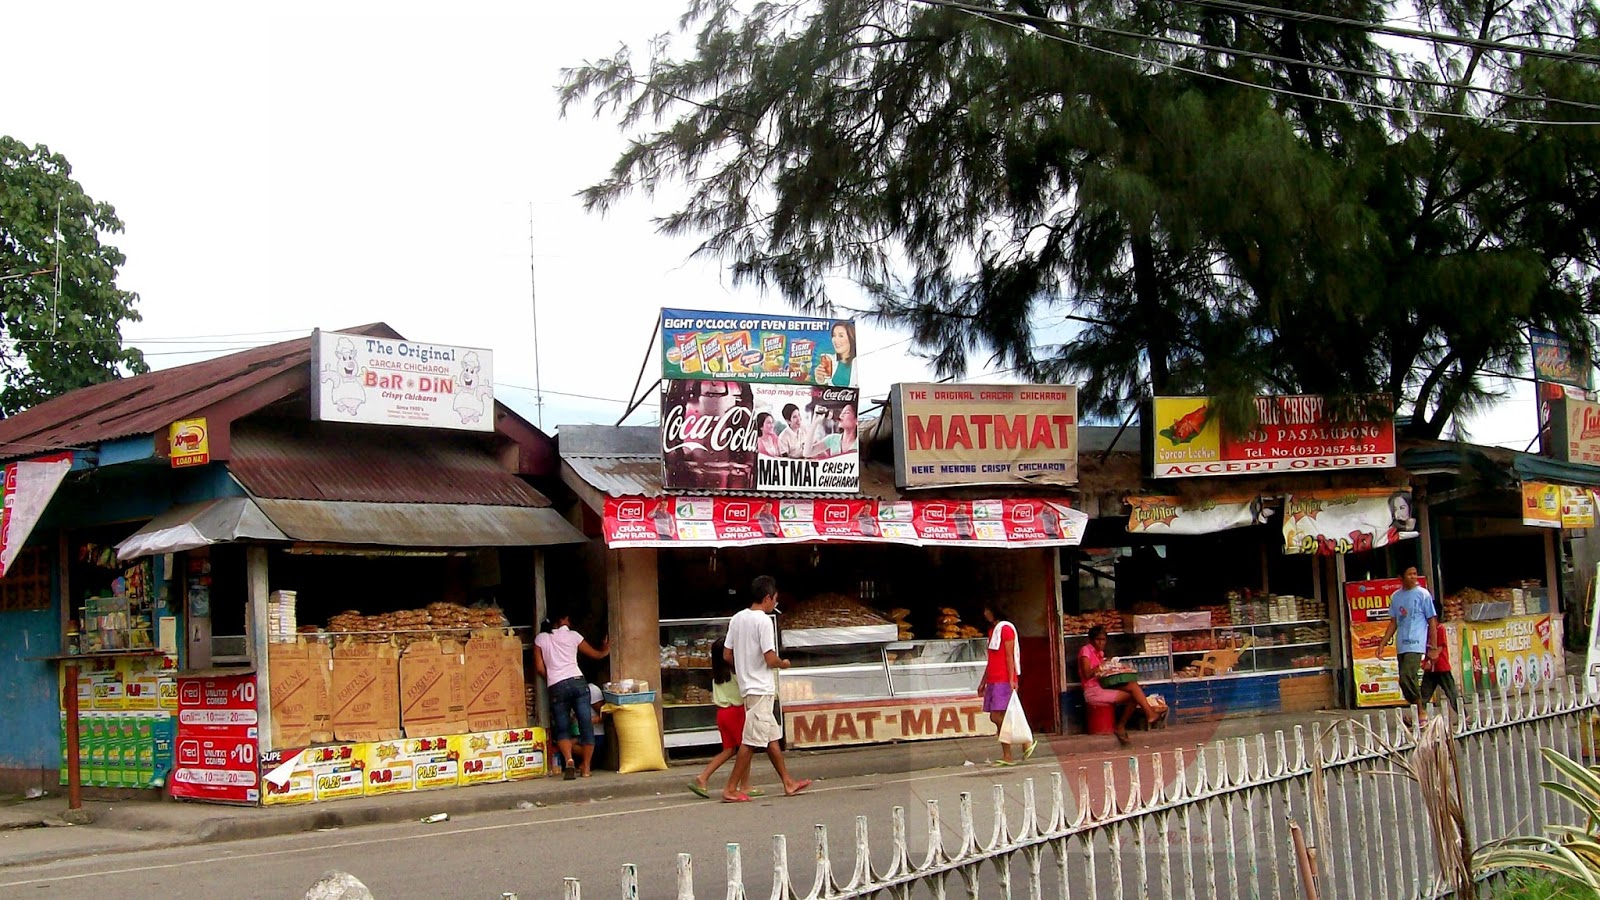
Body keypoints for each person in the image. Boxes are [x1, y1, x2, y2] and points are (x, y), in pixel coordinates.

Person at [722, 575, 811, 802]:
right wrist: (784, 664)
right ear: (767, 598)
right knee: (751, 741)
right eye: (775, 599)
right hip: (760, 688)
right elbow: (770, 658)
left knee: (771, 738)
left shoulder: (737, 618)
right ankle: (730, 788)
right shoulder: (763, 621)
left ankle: (788, 781)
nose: (776, 603)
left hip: (748, 687)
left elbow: (727, 655)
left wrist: (744, 667)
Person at [533, 611, 610, 780]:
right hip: (577, 682)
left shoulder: (541, 639)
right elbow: (596, 655)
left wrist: (553, 678)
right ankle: (586, 768)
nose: (569, 621)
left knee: (562, 727)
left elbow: (539, 668)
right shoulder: (574, 636)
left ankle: (569, 760)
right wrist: (606, 649)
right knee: (585, 724)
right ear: (562, 620)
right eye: (568, 618)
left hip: (557, 685)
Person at [688, 637, 759, 799]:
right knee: (746, 747)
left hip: (722, 713)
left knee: (729, 749)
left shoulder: (717, 676)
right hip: (736, 712)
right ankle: (745, 785)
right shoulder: (735, 673)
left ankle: (703, 777)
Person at [1079, 625, 1166, 746]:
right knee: (1132, 697)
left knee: (1133, 686)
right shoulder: (1086, 650)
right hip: (1093, 690)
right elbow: (1087, 673)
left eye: (1103, 640)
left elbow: (1102, 673)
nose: (1101, 643)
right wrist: (1101, 666)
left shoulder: (1100, 653)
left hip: (1103, 685)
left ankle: (1149, 714)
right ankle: (1121, 726)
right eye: (1098, 640)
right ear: (1091, 640)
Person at [979, 603, 1035, 766]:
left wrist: (1012, 679)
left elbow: (1009, 656)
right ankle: (1016, 746)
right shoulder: (993, 631)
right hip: (993, 678)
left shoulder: (1006, 629)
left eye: (988, 610)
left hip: (1003, 678)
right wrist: (983, 681)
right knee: (999, 717)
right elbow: (992, 659)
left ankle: (1015, 748)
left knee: (997, 716)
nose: (986, 614)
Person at [1381, 566, 1439, 709]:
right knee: (1405, 681)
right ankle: (1418, 709)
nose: (1413, 577)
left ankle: (1420, 709)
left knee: (1406, 676)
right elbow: (1394, 622)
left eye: (1415, 574)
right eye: (1409, 574)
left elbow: (1432, 621)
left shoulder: (1423, 594)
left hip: (1416, 643)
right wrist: (1382, 643)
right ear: (1400, 577)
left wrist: (1434, 646)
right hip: (1402, 644)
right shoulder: (1396, 596)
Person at [1420, 618, 1460, 713]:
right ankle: (1419, 715)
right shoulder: (1426, 629)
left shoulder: (1440, 628)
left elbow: (1440, 647)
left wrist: (1430, 661)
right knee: (1424, 695)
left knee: (1452, 693)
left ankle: (1463, 714)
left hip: (1441, 667)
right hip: (1430, 670)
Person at [815, 321, 855, 386]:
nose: (836, 340)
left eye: (841, 336)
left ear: (851, 338)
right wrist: (820, 378)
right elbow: (823, 381)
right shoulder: (829, 360)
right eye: (834, 335)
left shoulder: (859, 362)